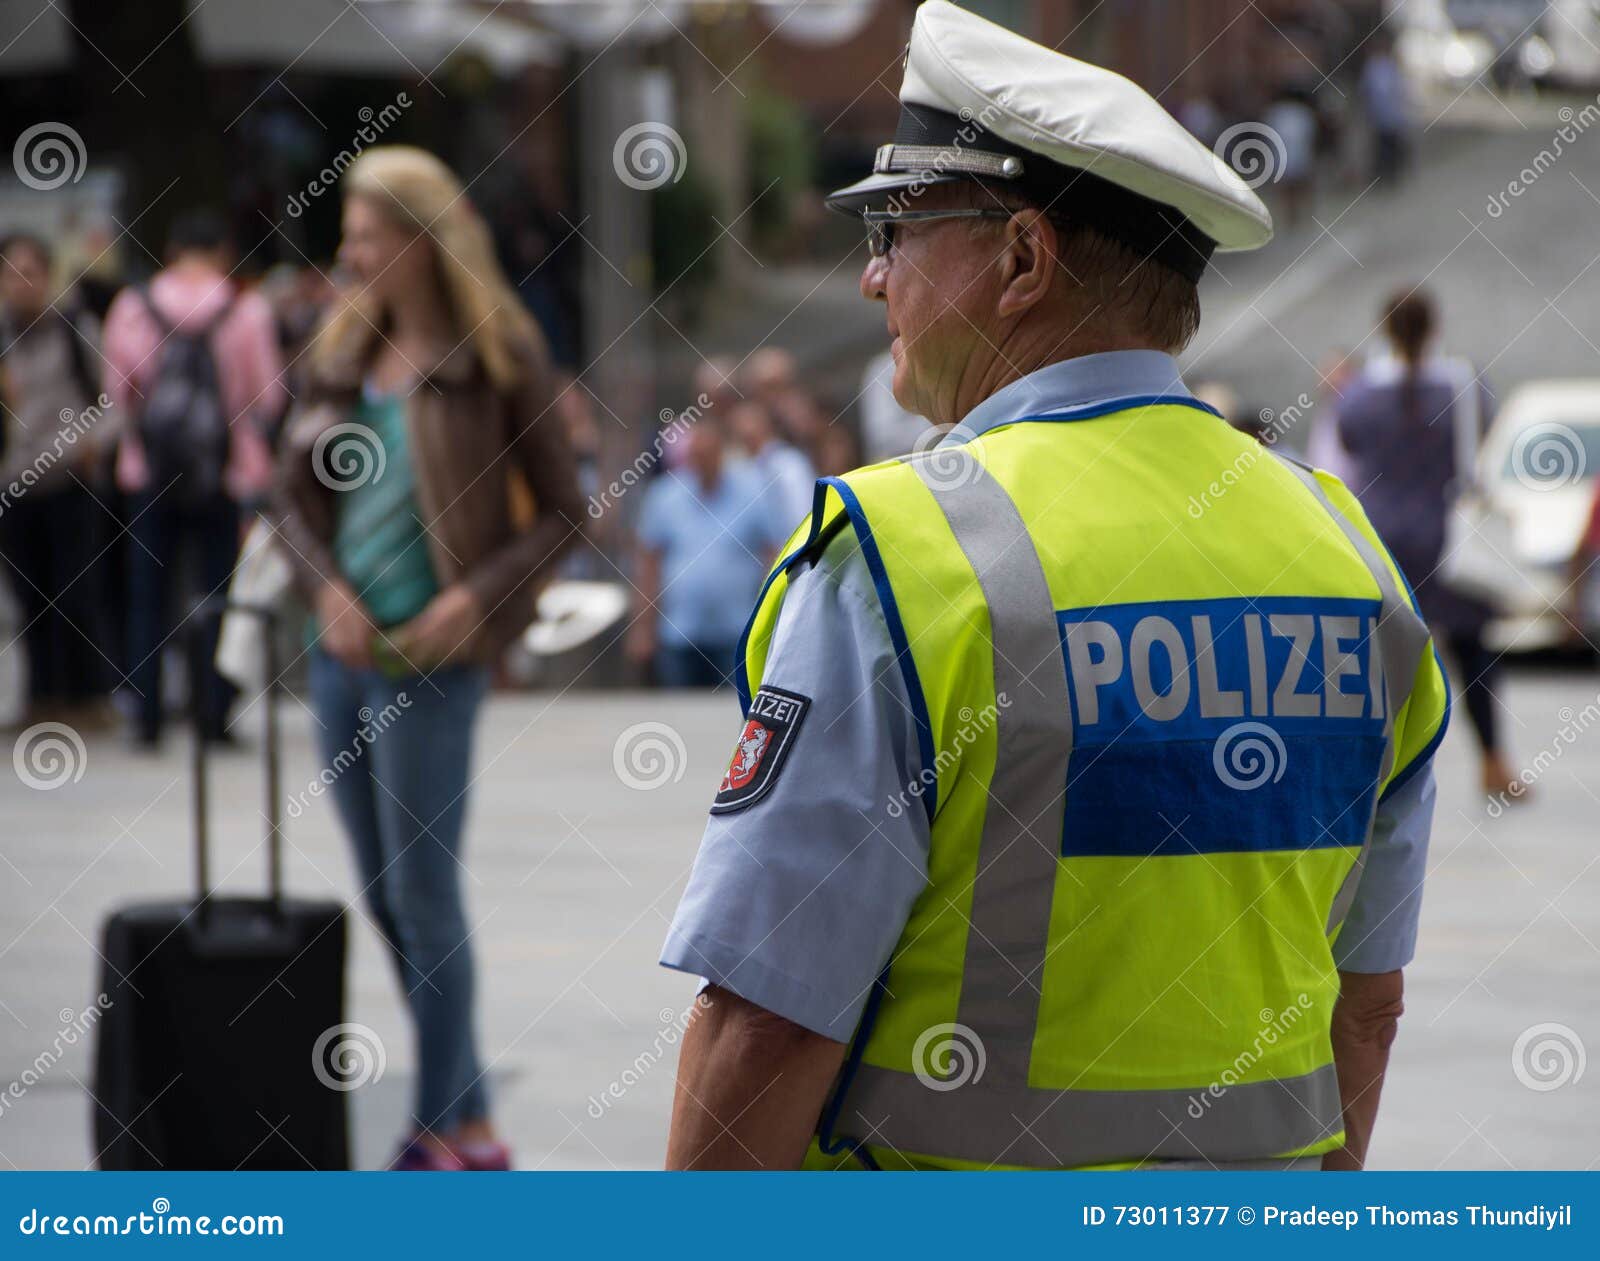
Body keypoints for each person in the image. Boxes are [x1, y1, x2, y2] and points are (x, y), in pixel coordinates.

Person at [659, 1, 1450, 1172]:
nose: (874, 277)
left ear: (1023, 257)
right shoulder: (1347, 556)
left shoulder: (898, 553)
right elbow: (1365, 1004)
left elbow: (767, 1017)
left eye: (900, 227)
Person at [272, 146, 583, 1171]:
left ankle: (439, 1129)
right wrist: (324, 585)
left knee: (423, 894)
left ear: (420, 238)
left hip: (431, 663)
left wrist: (473, 600)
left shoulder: (501, 357)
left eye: (366, 234)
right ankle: (474, 1118)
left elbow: (566, 516)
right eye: (349, 234)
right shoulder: (338, 352)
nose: (349, 252)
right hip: (338, 656)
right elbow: (288, 499)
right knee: (382, 891)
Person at [102, 208, 285, 746]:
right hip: (224, 473)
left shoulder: (134, 305)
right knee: (218, 594)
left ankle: (148, 717)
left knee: (147, 596)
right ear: (222, 250)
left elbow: (119, 392)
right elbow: (268, 395)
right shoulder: (246, 308)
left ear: (171, 247)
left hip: (149, 472)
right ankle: (213, 716)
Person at [1336, 289, 1516, 798]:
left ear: (1385, 329)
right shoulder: (1464, 384)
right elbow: (1486, 432)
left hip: (1386, 535)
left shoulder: (1360, 394)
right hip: (1448, 535)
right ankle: (1495, 763)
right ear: (1434, 327)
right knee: (1474, 649)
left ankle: (1374, 769)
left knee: (1384, 658)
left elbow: (1349, 440)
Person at [0, 232, 113, 725]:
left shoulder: (74, 329)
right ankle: (40, 698)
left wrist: (89, 446)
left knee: (75, 590)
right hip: (12, 484)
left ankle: (88, 697)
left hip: (68, 479)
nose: (21, 282)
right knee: (28, 597)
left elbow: (112, 401)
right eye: (10, 271)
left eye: (30, 270)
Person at [626, 409, 786, 688]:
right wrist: (643, 628)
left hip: (735, 632)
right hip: (679, 631)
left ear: (721, 452)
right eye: (695, 454)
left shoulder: (753, 489)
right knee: (680, 717)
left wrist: (770, 619)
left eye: (708, 453)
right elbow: (649, 564)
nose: (701, 460)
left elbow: (772, 554)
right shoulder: (665, 495)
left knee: (731, 715)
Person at [727, 397, 816, 539]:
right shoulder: (737, 469)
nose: (746, 432)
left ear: (765, 426)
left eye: (751, 424)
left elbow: (802, 511)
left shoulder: (789, 462)